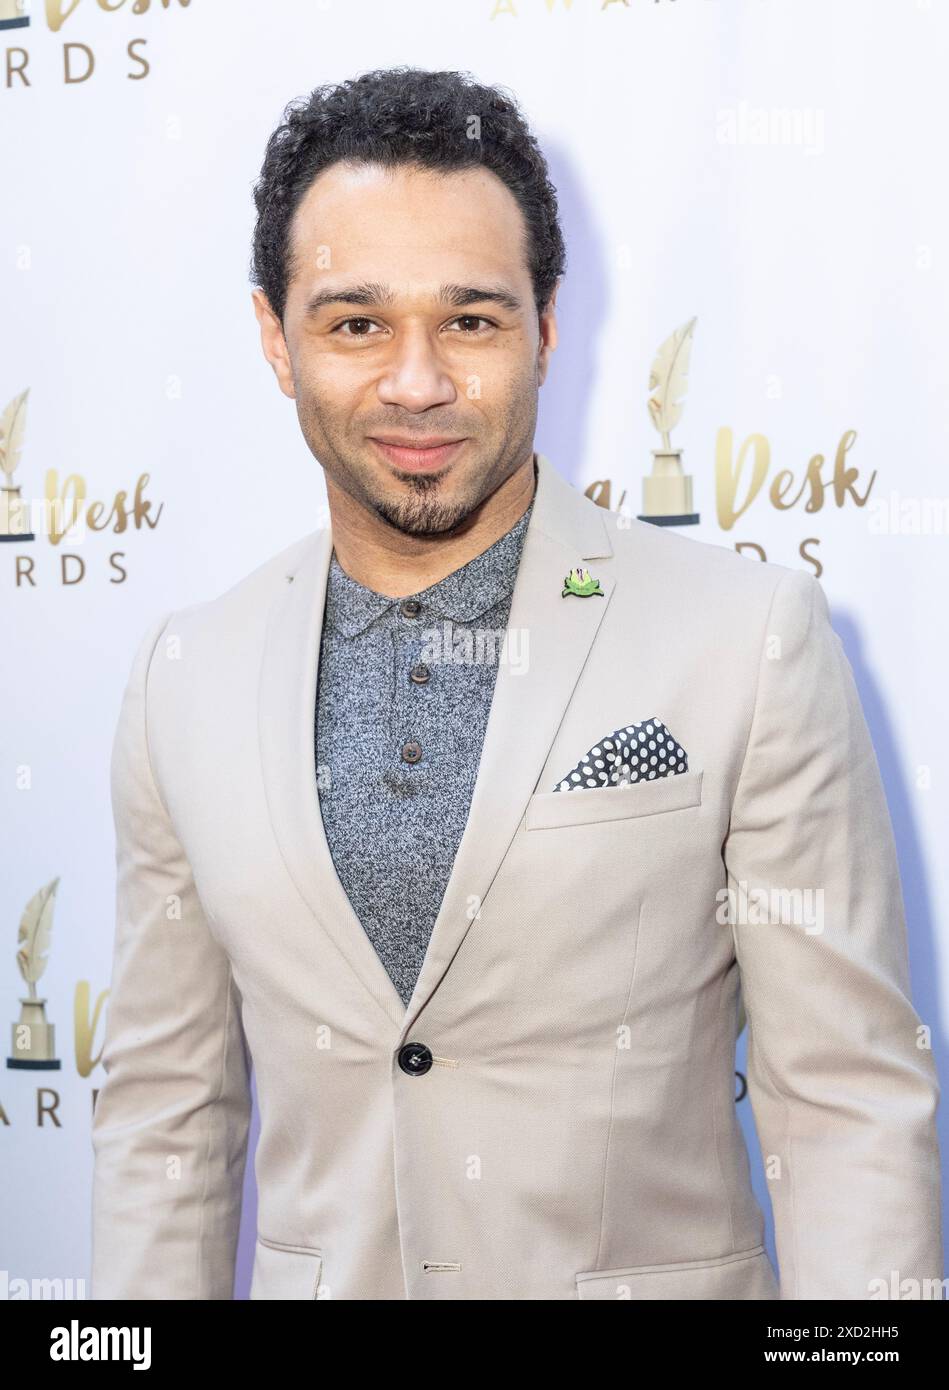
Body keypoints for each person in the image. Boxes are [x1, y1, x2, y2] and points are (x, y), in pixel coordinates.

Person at [90, 66, 942, 1301]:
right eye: (356, 322)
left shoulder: (747, 636)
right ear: (276, 338)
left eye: (472, 320)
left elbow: (844, 1101)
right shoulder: (186, 676)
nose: (418, 382)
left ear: (546, 327)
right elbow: (166, 1120)